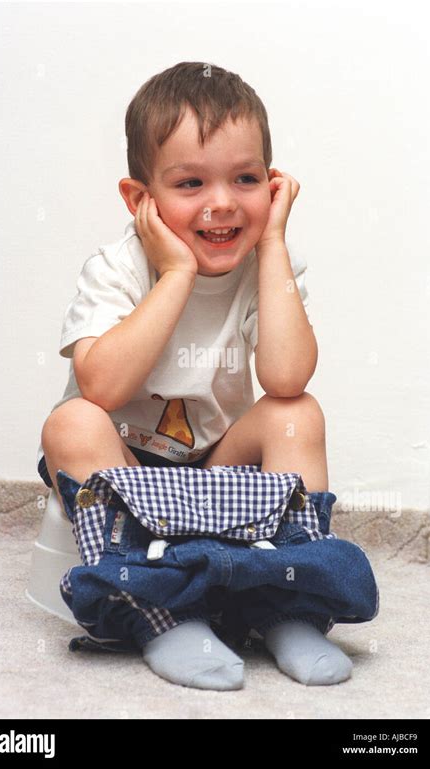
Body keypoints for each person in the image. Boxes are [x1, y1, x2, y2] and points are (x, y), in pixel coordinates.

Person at [37, 61, 378, 691]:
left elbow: (284, 376)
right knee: (72, 421)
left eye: (245, 179)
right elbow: (102, 389)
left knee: (297, 411)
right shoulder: (117, 268)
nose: (222, 202)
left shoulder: (266, 264)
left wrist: (273, 245)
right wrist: (176, 275)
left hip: (215, 473)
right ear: (142, 200)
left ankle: (287, 602)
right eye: (190, 183)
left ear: (272, 187)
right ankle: (158, 610)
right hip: (123, 470)